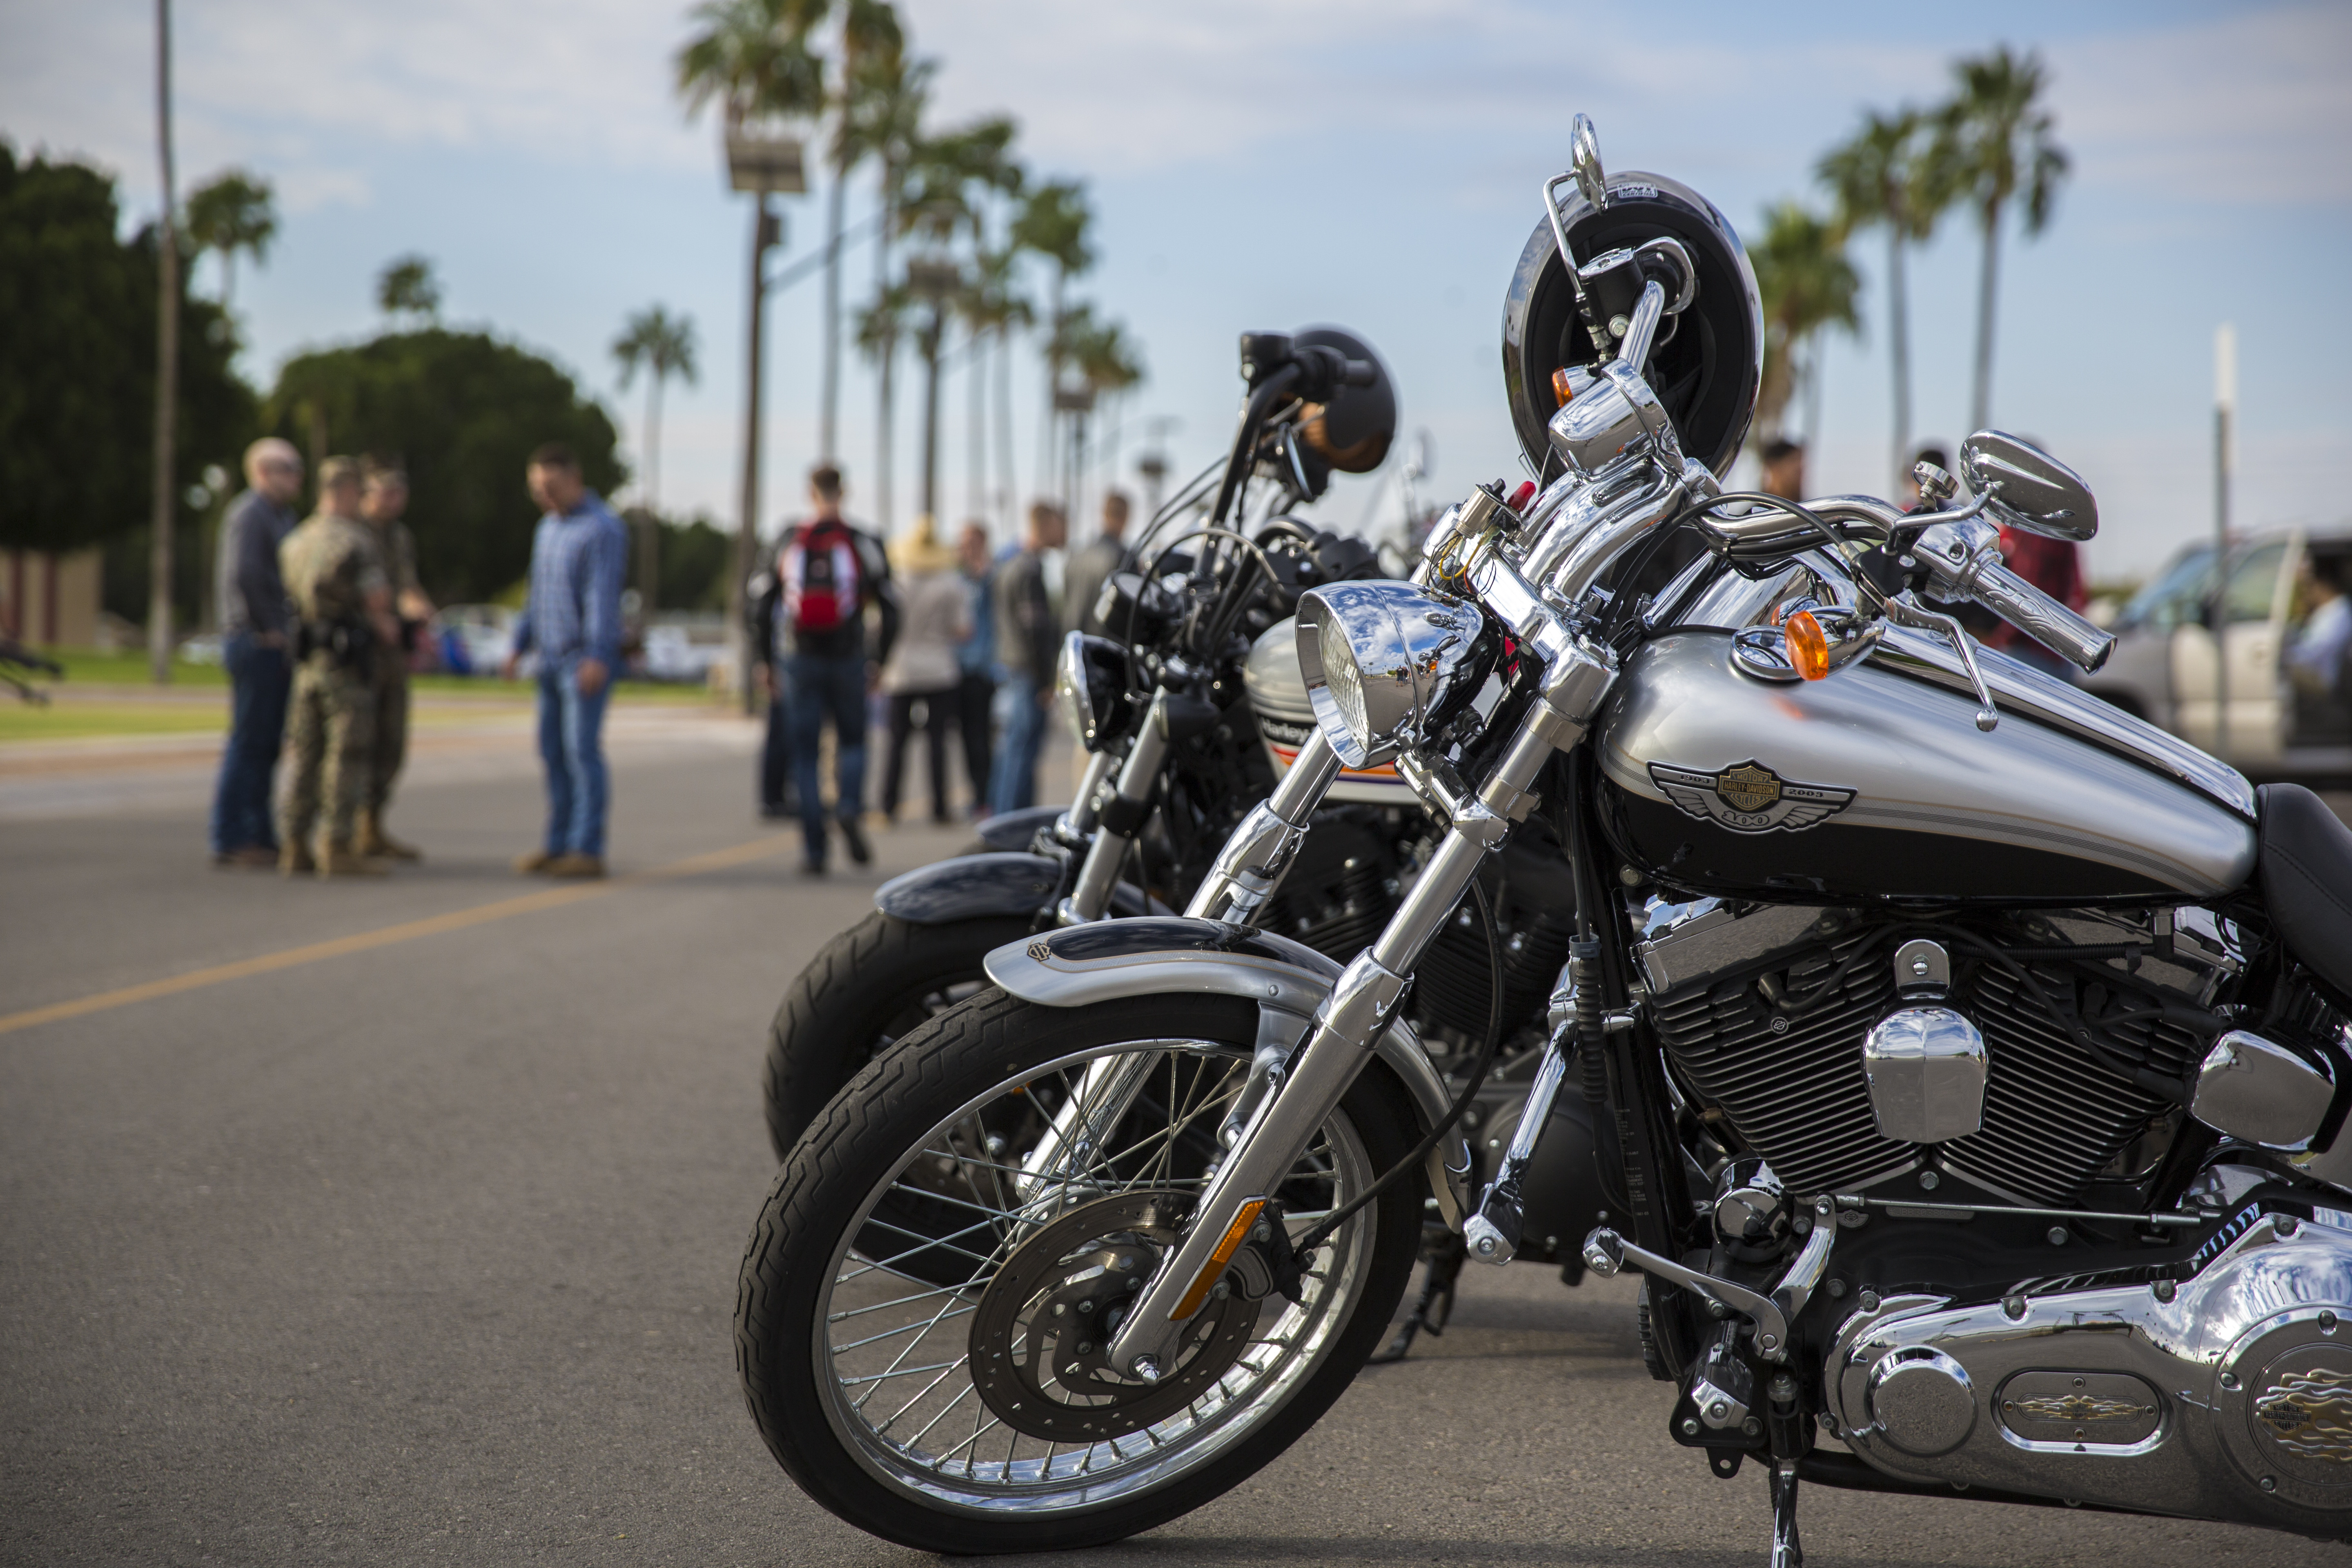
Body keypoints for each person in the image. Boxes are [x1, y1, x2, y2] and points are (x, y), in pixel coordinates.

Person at [503, 443, 628, 878]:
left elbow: (602, 598)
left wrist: (598, 654)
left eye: (551, 486)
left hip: (582, 661)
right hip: (549, 660)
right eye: (536, 488)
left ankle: (586, 848)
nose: (543, 496)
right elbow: (535, 592)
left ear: (575, 480)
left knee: (582, 753)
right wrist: (519, 644)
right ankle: (557, 844)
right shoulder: (547, 529)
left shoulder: (602, 529)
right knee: (553, 752)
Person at [768, 464, 898, 875]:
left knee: (805, 755)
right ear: (844, 492)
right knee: (853, 743)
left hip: (799, 657)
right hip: (848, 656)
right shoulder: (863, 541)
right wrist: (880, 658)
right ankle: (848, 806)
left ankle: (814, 851)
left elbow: (758, 600)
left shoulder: (789, 538)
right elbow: (892, 605)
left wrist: (763, 658)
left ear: (811, 493)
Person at [278, 456, 399, 878]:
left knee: (305, 751)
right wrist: (388, 628)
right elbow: (378, 600)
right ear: (349, 492)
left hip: (307, 656)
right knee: (347, 752)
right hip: (346, 659)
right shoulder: (355, 541)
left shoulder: (295, 540)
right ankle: (337, 844)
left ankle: (293, 843)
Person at [209, 437, 305, 868]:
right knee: (248, 743)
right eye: (289, 467)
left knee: (268, 744)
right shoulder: (250, 513)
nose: (297, 476)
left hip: (274, 642)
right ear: (263, 471)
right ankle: (231, 836)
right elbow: (245, 573)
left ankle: (261, 835)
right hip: (253, 640)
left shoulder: (282, 516)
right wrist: (270, 628)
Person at [357, 458, 433, 861]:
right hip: (358, 653)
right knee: (357, 742)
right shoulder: (353, 533)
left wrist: (419, 606)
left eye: (399, 492)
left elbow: (406, 584)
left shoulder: (399, 538)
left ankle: (373, 825)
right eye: (385, 491)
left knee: (392, 740)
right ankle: (347, 830)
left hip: (393, 654)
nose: (394, 500)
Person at [877, 517, 971, 824]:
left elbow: (878, 625)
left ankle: (889, 804)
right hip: (940, 668)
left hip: (900, 668)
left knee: (897, 741)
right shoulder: (951, 583)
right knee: (937, 741)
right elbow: (963, 630)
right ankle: (940, 806)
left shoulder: (895, 583)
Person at [988, 500, 1065, 815]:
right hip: (1027, 672)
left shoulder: (1009, 563)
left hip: (1012, 665)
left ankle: (1001, 816)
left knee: (1011, 749)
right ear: (1045, 524)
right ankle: (1012, 821)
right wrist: (1046, 679)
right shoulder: (1029, 570)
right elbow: (1035, 631)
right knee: (1022, 751)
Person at [954, 521, 998, 818]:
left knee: (985, 738)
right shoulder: (957, 580)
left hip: (987, 669)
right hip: (960, 670)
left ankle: (988, 796)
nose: (966, 549)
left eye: (971, 542)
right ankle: (977, 795)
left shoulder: (993, 579)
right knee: (968, 739)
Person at [1064, 489, 1130, 637]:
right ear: (1126, 517)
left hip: (1075, 644)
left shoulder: (1076, 556)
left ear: (1104, 514)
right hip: (1105, 650)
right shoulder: (1124, 558)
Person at [1759, 438, 1805, 502]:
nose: (1801, 476)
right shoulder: (1758, 511)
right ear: (1774, 467)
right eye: (1796, 472)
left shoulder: (1807, 509)